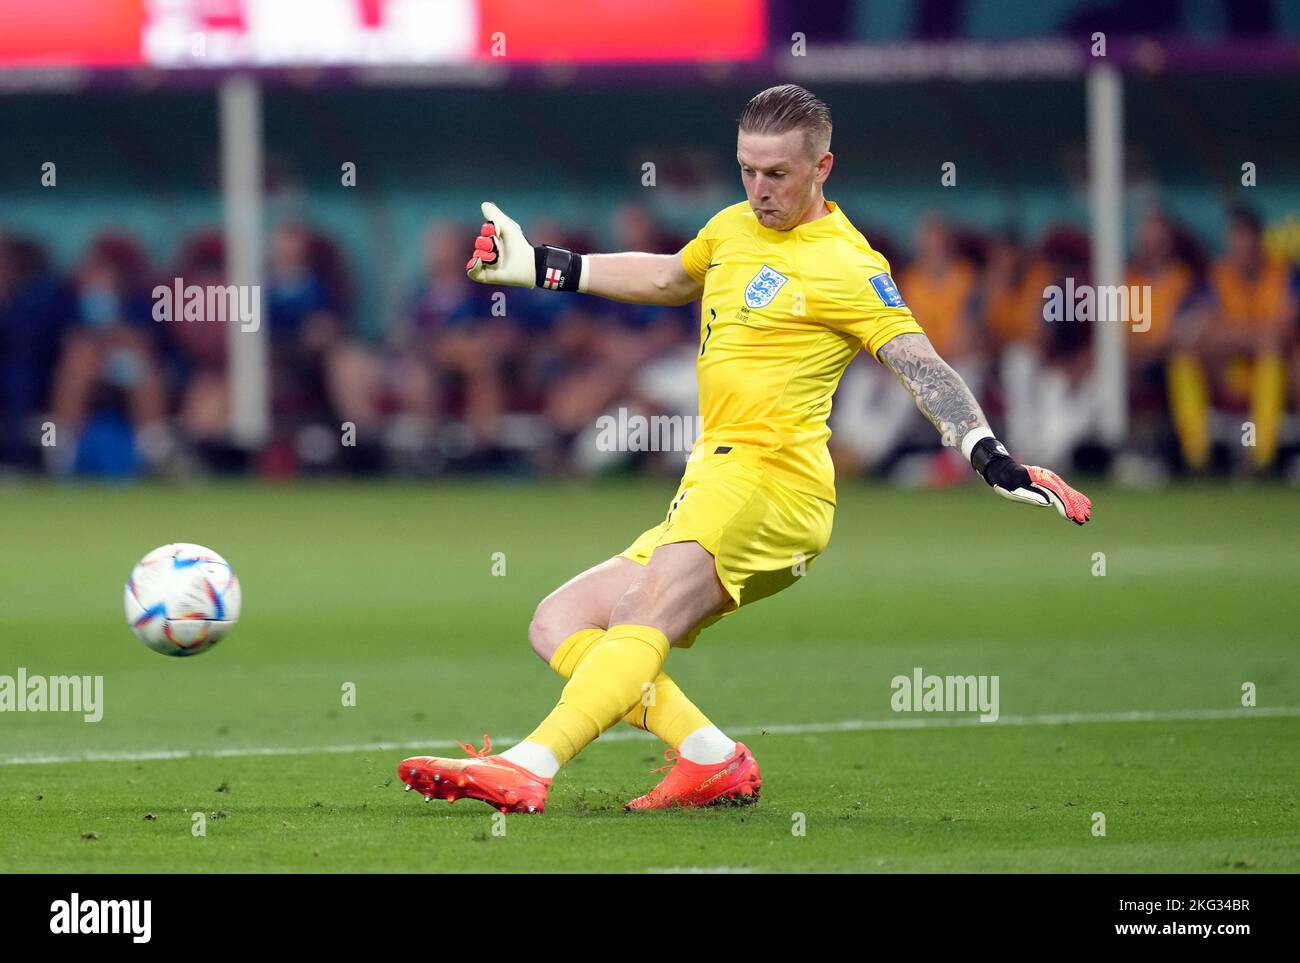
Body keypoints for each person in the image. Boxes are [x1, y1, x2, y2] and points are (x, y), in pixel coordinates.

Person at [398, 84, 1092, 815]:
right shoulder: (732, 227)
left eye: (778, 175)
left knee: (642, 611)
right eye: (747, 170)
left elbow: (921, 362)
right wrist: (544, 265)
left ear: (822, 166)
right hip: (715, 477)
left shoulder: (848, 264)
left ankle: (528, 765)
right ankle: (710, 758)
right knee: (559, 620)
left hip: (774, 482)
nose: (760, 191)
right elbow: (670, 277)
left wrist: (987, 452)